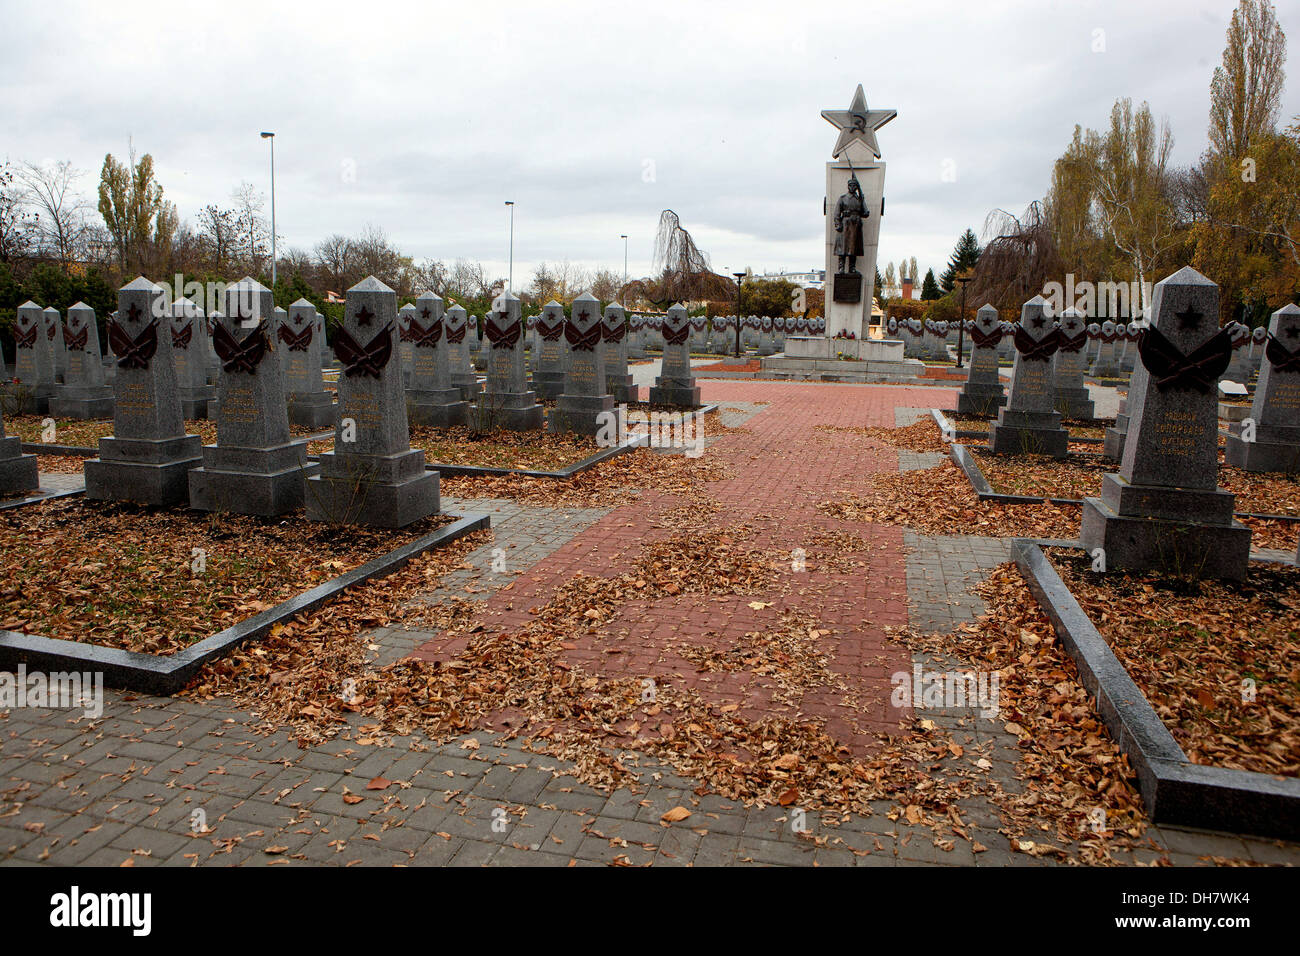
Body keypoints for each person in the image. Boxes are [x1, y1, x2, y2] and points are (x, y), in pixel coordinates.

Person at [834, 177, 869, 274]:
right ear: (848, 186)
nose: (852, 187)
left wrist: (863, 201)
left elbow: (865, 213)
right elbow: (837, 213)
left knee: (854, 248)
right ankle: (841, 268)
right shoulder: (843, 198)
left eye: (854, 186)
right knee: (843, 248)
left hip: (856, 225)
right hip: (846, 224)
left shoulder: (859, 199)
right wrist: (838, 224)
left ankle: (851, 268)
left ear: (857, 187)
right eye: (850, 185)